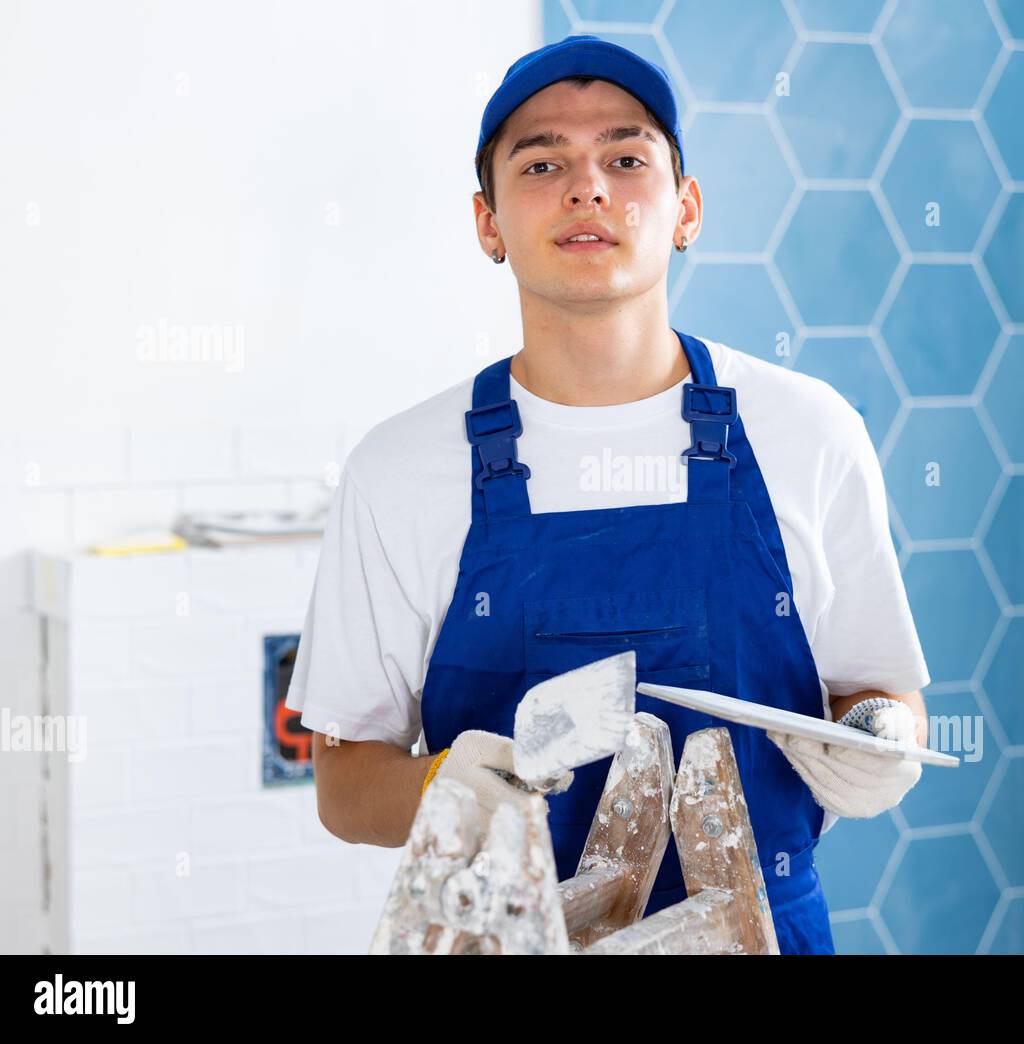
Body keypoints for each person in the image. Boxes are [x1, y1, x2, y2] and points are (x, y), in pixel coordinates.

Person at [286, 34, 932, 955]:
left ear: (685, 209)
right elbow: (346, 788)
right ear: (488, 224)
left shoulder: (808, 431)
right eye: (543, 162)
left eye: (626, 159)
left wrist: (878, 733)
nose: (588, 187)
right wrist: (447, 786)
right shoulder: (398, 470)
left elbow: (884, 694)